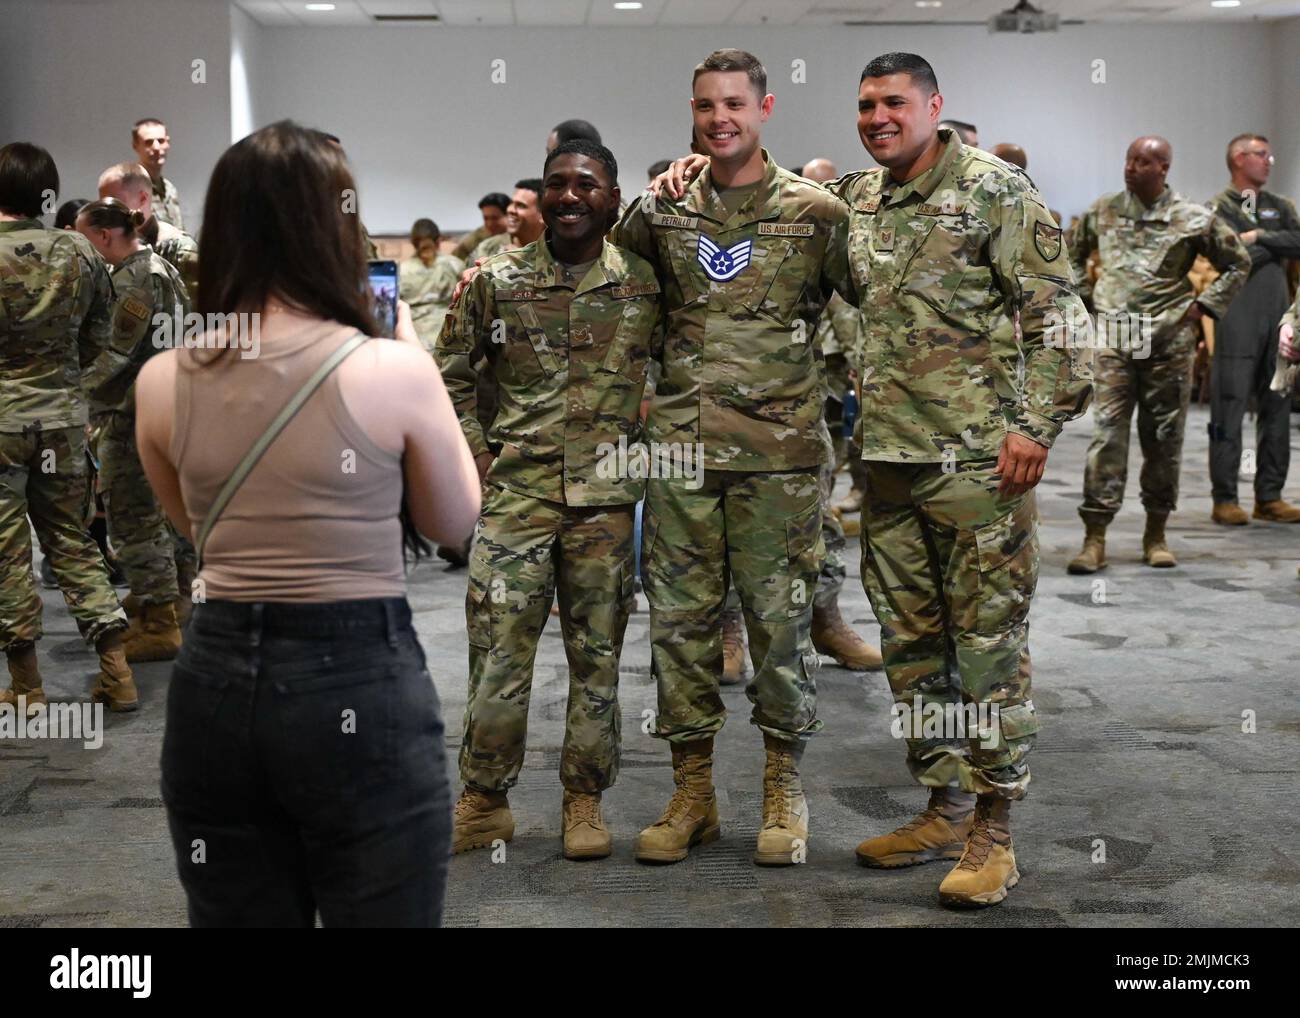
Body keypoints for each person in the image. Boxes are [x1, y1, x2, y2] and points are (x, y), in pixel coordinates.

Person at [134, 120, 480, 927]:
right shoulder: (391, 370)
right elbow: (456, 522)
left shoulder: (161, 381)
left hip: (214, 684)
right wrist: (407, 344)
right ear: (340, 228)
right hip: (355, 675)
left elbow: (197, 531)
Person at [611, 49, 855, 868]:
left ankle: (784, 784)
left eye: (736, 105)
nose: (722, 119)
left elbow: (874, 306)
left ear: (766, 108)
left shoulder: (817, 213)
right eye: (707, 106)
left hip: (779, 461)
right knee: (678, 630)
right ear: (692, 111)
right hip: (681, 455)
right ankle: (692, 793)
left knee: (779, 627)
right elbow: (619, 292)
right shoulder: (661, 210)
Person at [437, 139, 662, 861]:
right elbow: (448, 372)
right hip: (518, 498)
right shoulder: (495, 279)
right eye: (557, 185)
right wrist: (476, 453)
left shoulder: (645, 285)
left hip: (603, 504)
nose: (569, 197)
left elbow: (682, 369)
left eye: (586, 185)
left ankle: (584, 800)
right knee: (499, 653)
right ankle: (484, 799)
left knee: (597, 657)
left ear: (612, 198)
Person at [1067, 136, 1249, 572]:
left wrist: (1203, 306)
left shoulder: (1192, 217)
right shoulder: (1104, 209)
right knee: (1106, 437)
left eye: (1144, 161)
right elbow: (1070, 253)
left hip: (1168, 344)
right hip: (1114, 341)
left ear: (1164, 167)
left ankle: (1156, 532)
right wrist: (1086, 297)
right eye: (1129, 159)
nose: (1132, 167)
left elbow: (1237, 262)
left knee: (1163, 440)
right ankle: (1095, 537)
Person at [0, 142, 135, 712]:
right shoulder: (79, 251)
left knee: (6, 552)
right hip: (63, 422)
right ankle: (117, 672)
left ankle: (27, 687)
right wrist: (65, 384)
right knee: (72, 540)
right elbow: (100, 337)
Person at [76, 197, 192, 667]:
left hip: (132, 414)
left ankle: (160, 623)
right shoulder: (155, 268)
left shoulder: (138, 278)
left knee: (133, 518)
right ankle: (152, 603)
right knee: (149, 516)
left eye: (83, 237)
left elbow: (114, 355)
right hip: (150, 408)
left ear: (104, 236)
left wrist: (68, 393)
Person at [1206, 134, 1300, 524]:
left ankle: (1269, 495)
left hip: (1278, 314)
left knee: (1277, 402)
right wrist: (1275, 247)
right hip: (1238, 312)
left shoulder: (1280, 206)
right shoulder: (1218, 206)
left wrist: (1260, 237)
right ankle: (1225, 497)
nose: (1269, 161)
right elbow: (1225, 252)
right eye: (1262, 155)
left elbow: (1299, 241)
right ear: (1239, 159)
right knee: (1229, 404)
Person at [98, 161, 200, 302]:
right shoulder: (107, 247)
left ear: (142, 198)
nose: (107, 211)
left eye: (116, 202)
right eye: (104, 204)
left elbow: (199, 313)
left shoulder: (180, 249)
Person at [400, 219, 464, 351]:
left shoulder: (402, 271)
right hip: (449, 340)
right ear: (439, 241)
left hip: (414, 341)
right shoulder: (455, 265)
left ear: (413, 243)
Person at [469, 180, 545, 262]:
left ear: (543, 214)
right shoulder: (488, 248)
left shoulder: (555, 250)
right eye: (512, 203)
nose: (510, 210)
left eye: (521, 205)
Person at [131, 117, 184, 230]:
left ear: (168, 142)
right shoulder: (129, 188)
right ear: (135, 146)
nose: (156, 147)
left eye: (161, 141)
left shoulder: (169, 189)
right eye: (148, 142)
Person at [451, 193, 509, 262]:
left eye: (495, 218)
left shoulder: (518, 235)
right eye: (486, 218)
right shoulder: (476, 237)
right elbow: (455, 260)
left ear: (509, 215)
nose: (489, 223)